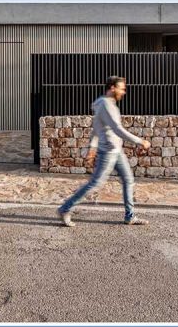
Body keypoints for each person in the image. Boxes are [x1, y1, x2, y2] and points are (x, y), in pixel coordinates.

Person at [57, 76, 150, 226]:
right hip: (107, 152)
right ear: (112, 88)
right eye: (121, 88)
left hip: (116, 151)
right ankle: (65, 208)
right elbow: (117, 129)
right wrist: (140, 141)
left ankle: (130, 216)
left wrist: (92, 147)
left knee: (128, 180)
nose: (124, 92)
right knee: (95, 183)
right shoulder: (106, 105)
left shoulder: (105, 104)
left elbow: (96, 127)